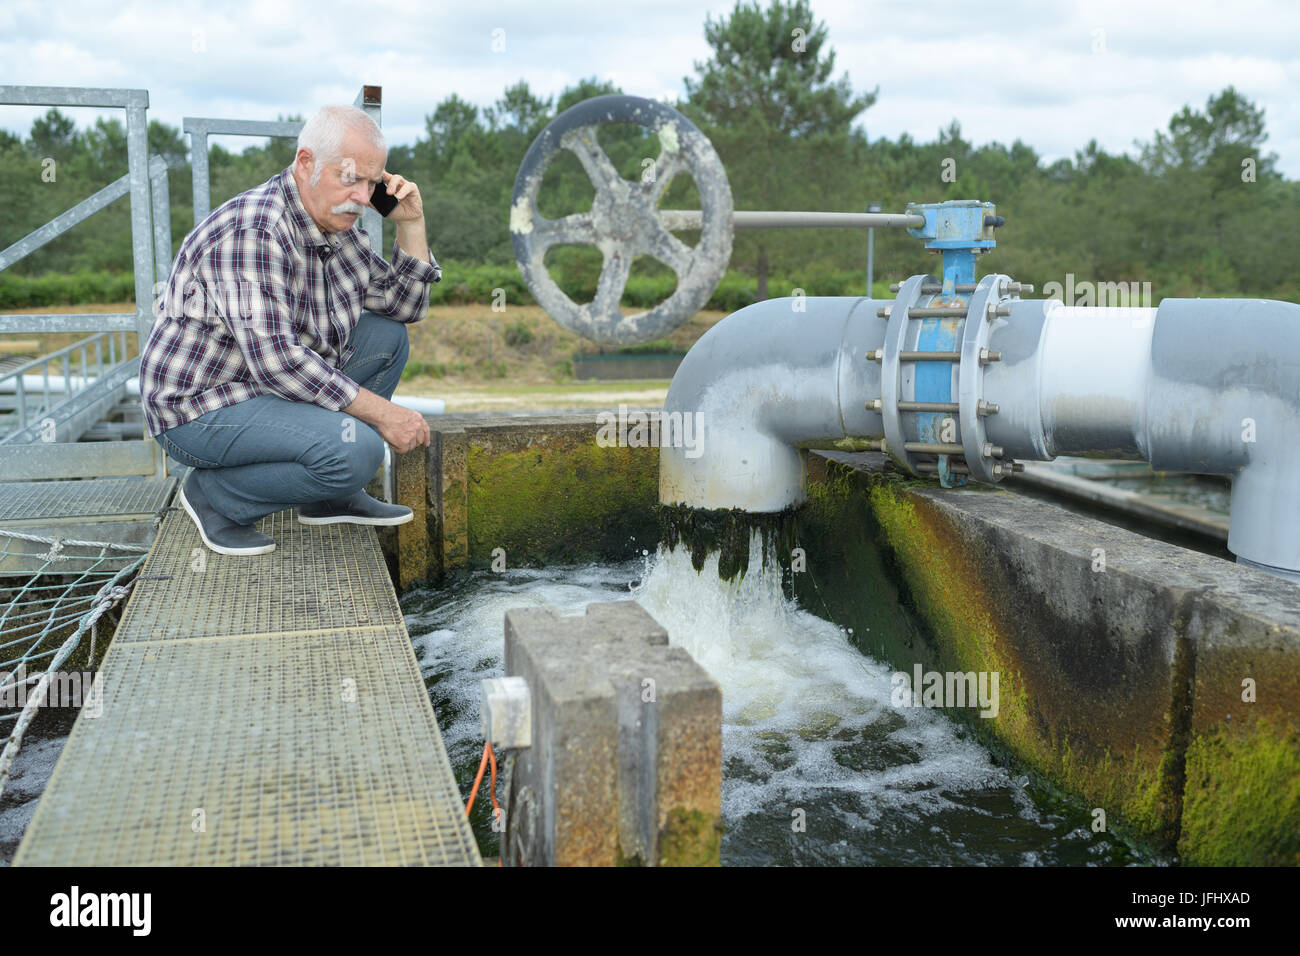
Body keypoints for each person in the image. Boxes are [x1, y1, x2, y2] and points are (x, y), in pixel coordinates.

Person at [139, 104, 441, 556]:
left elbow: (404, 307)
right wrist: (382, 414)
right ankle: (215, 498)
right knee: (357, 450)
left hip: (262, 389)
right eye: (350, 178)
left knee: (385, 338)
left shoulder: (339, 225)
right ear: (306, 164)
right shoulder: (255, 229)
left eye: (372, 183)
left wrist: (411, 224)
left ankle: (327, 495)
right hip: (199, 408)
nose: (363, 197)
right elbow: (276, 361)